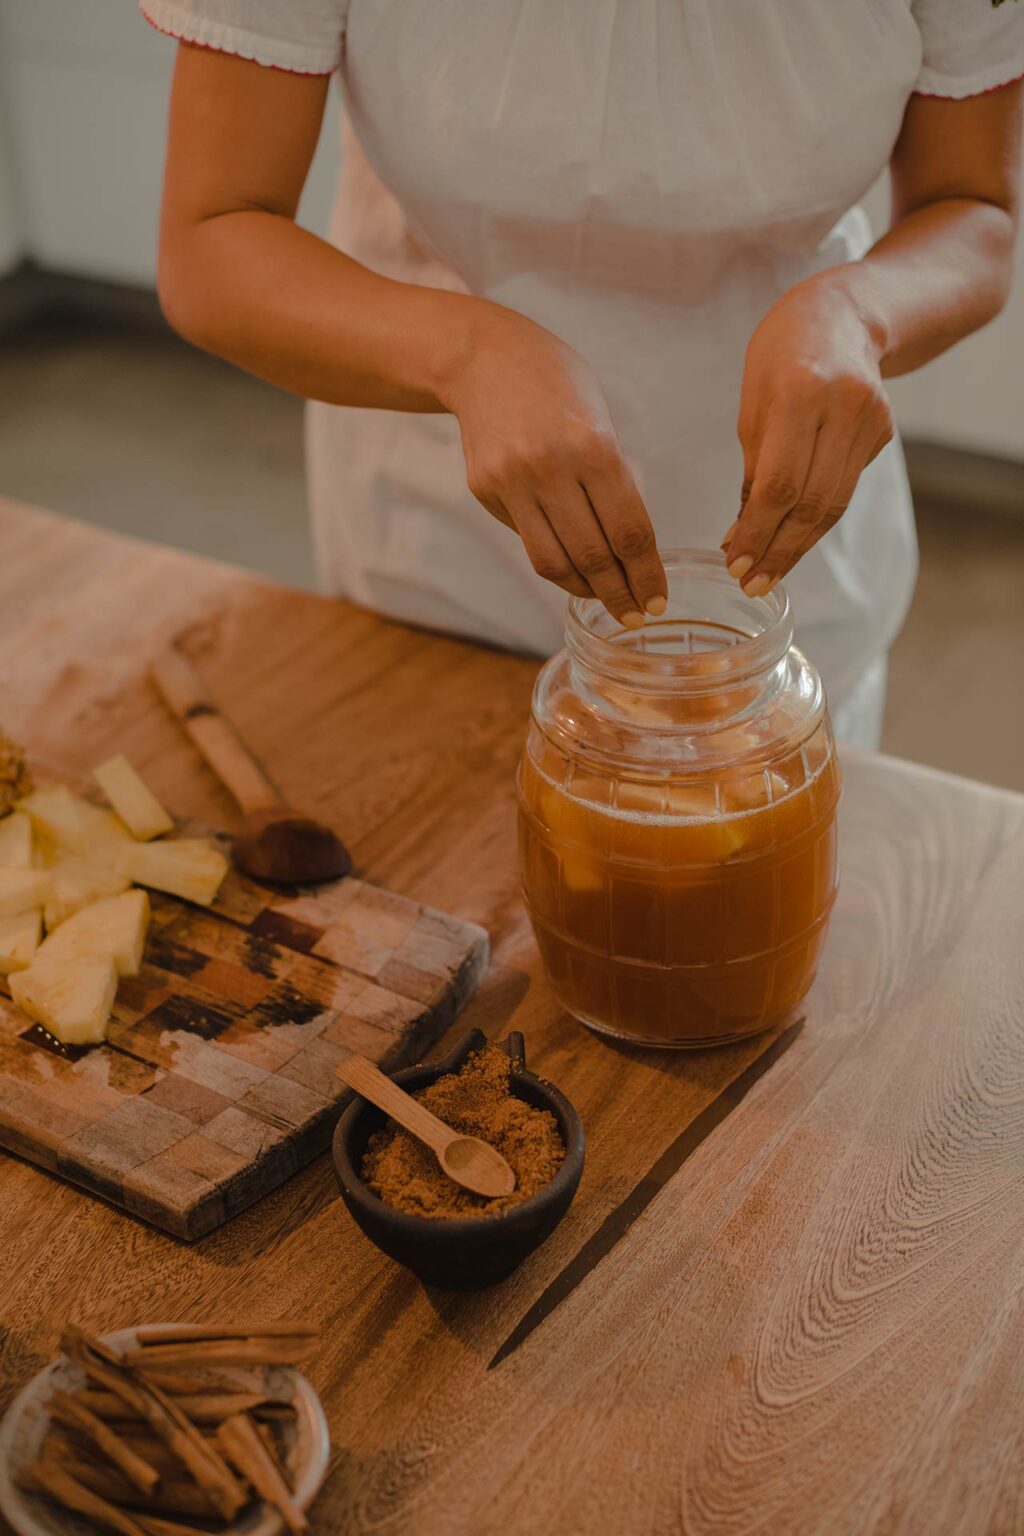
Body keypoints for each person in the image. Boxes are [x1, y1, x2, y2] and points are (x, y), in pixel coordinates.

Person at [142, 1, 1022, 747]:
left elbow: (971, 205)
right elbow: (214, 233)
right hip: (441, 549)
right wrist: (466, 354)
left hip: (794, 568)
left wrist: (858, 314)